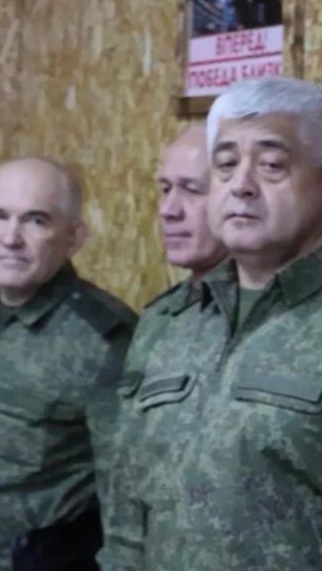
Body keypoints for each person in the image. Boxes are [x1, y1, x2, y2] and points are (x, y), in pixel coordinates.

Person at [104, 77, 322, 570]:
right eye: (225, 165)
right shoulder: (172, 322)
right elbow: (127, 505)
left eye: (271, 165)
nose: (241, 185)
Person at [0, 157, 136, 571]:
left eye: (35, 221)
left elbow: (127, 492)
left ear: (73, 238)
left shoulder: (101, 338)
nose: (10, 238)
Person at [97, 123, 227, 567]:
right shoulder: (159, 319)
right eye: (165, 189)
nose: (170, 210)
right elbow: (127, 475)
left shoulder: (285, 318)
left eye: (192, 190)